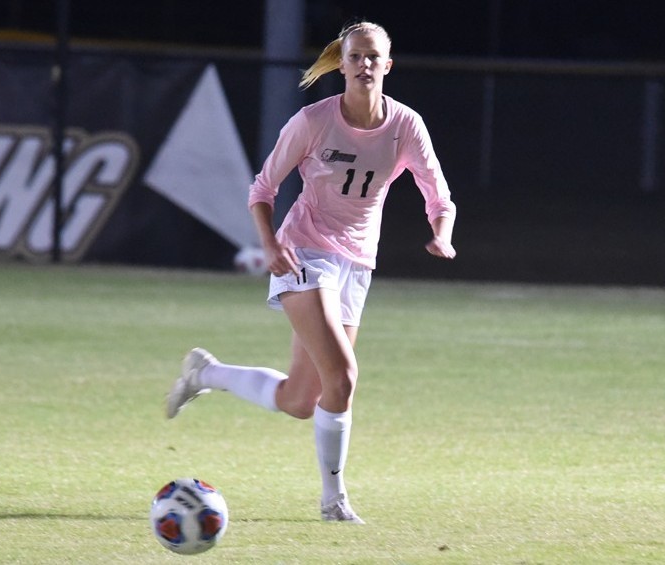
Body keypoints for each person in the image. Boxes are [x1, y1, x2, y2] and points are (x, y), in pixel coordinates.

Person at [166, 20, 456, 524]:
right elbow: (262, 189)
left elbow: (440, 196)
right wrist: (271, 243)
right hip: (305, 252)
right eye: (355, 57)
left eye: (373, 58)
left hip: (356, 263)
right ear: (341, 65)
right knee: (343, 376)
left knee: (302, 400)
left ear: (388, 66)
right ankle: (333, 501)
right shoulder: (314, 121)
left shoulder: (406, 125)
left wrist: (442, 233)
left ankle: (204, 372)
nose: (364, 65)